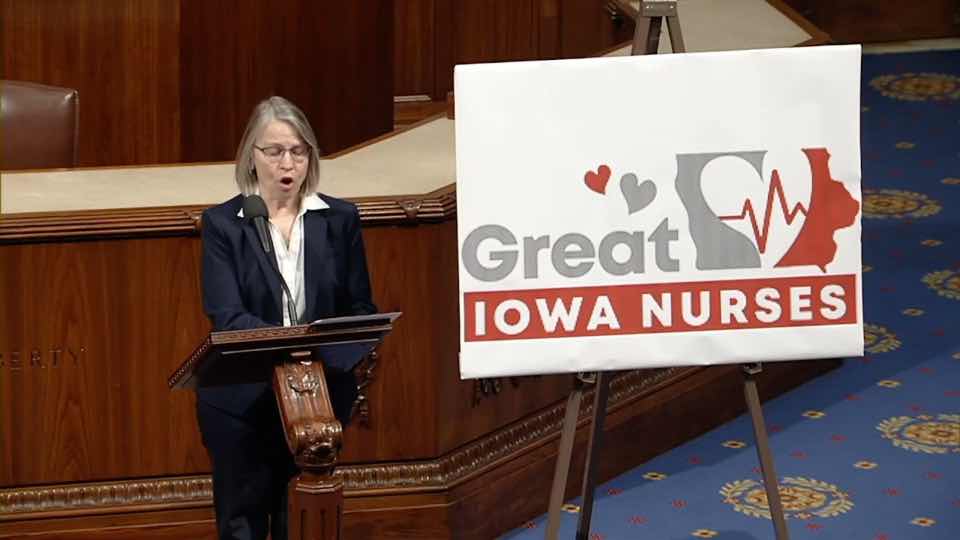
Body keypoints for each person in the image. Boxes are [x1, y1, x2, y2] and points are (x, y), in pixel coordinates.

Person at [196, 96, 376, 540]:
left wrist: (328, 359)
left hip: (316, 397)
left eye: (298, 151)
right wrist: (293, 344)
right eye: (274, 151)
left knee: (299, 518)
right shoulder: (224, 224)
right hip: (244, 398)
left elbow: (361, 310)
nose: (287, 162)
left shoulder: (338, 220)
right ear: (251, 158)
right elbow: (227, 316)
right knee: (244, 523)